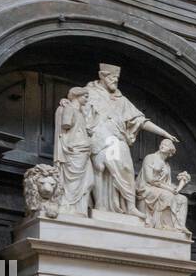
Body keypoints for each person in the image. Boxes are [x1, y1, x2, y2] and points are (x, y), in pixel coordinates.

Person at [84, 63, 177, 216]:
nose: (115, 81)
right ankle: (100, 204)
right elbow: (76, 107)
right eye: (112, 78)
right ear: (103, 76)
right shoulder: (89, 93)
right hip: (99, 137)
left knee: (126, 170)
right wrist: (67, 103)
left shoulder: (121, 100)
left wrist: (164, 133)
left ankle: (130, 207)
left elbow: (140, 120)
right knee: (100, 168)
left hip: (117, 139)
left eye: (117, 79)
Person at [53, 86, 94, 215]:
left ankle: (79, 208)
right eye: (85, 96)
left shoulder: (79, 112)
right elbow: (66, 125)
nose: (87, 100)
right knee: (73, 182)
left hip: (83, 151)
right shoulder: (69, 109)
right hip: (75, 150)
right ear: (77, 95)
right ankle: (69, 205)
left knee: (89, 181)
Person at [137, 138, 190, 232]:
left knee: (183, 199)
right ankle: (164, 226)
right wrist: (168, 189)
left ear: (170, 151)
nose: (163, 146)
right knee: (167, 196)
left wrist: (181, 184)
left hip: (161, 188)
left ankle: (179, 227)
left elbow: (167, 184)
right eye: (162, 144)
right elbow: (149, 179)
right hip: (147, 187)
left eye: (166, 145)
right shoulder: (150, 158)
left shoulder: (167, 165)